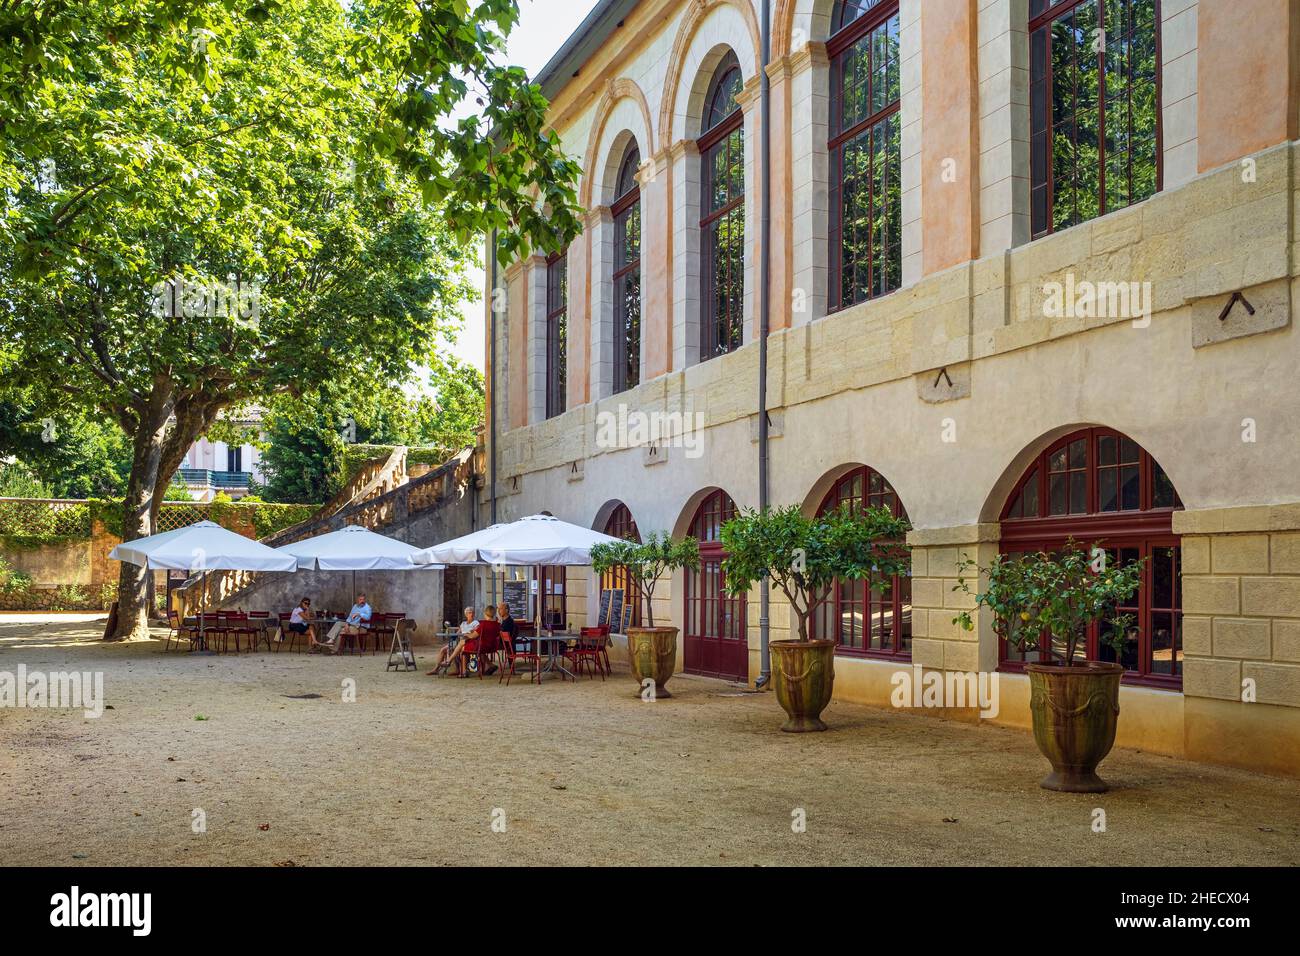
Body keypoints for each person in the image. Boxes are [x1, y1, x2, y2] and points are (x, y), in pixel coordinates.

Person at [429, 607, 479, 676]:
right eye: (470, 612)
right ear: (466, 614)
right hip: (459, 640)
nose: (472, 614)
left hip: (467, 641)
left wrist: (468, 633)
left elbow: (476, 632)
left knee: (452, 649)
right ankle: (436, 669)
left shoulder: (476, 623)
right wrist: (451, 633)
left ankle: (456, 668)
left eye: (473, 612)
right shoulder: (463, 623)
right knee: (443, 649)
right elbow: (457, 633)